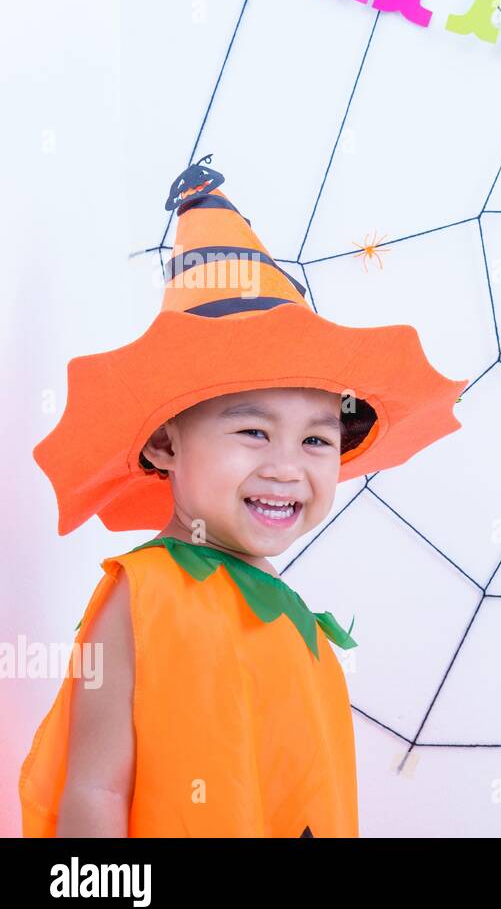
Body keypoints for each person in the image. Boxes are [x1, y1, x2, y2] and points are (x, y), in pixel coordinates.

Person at [19, 157, 468, 836]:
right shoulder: (142, 591)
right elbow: (95, 788)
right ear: (166, 445)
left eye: (317, 442)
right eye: (254, 431)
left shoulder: (296, 621)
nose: (287, 467)